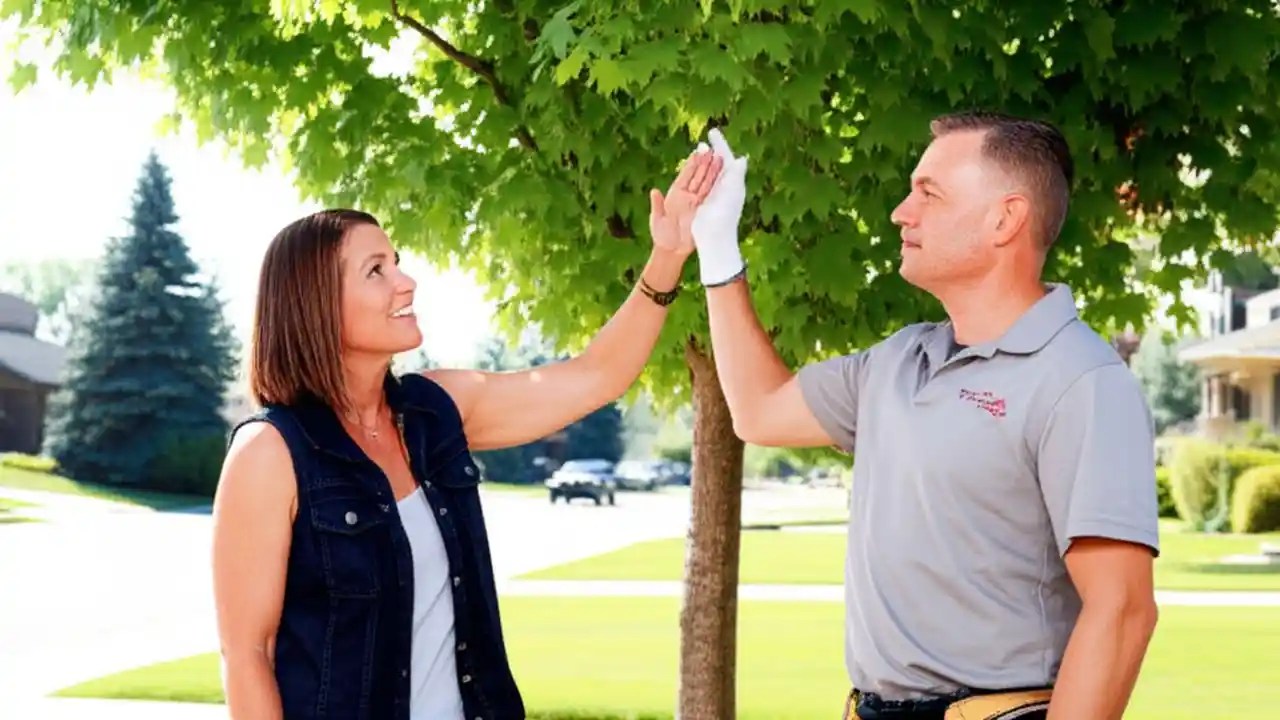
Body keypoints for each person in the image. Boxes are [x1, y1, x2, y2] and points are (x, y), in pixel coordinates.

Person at [210, 149, 722, 720]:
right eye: (376, 270)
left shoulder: (435, 413)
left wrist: (668, 255)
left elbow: (594, 377)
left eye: (396, 261)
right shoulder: (270, 454)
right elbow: (247, 654)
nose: (406, 282)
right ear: (315, 305)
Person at [687, 113, 1160, 720]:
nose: (901, 212)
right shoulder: (900, 359)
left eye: (928, 194)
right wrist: (718, 245)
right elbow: (758, 411)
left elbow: (1122, 611)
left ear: (1005, 219)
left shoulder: (1082, 381)